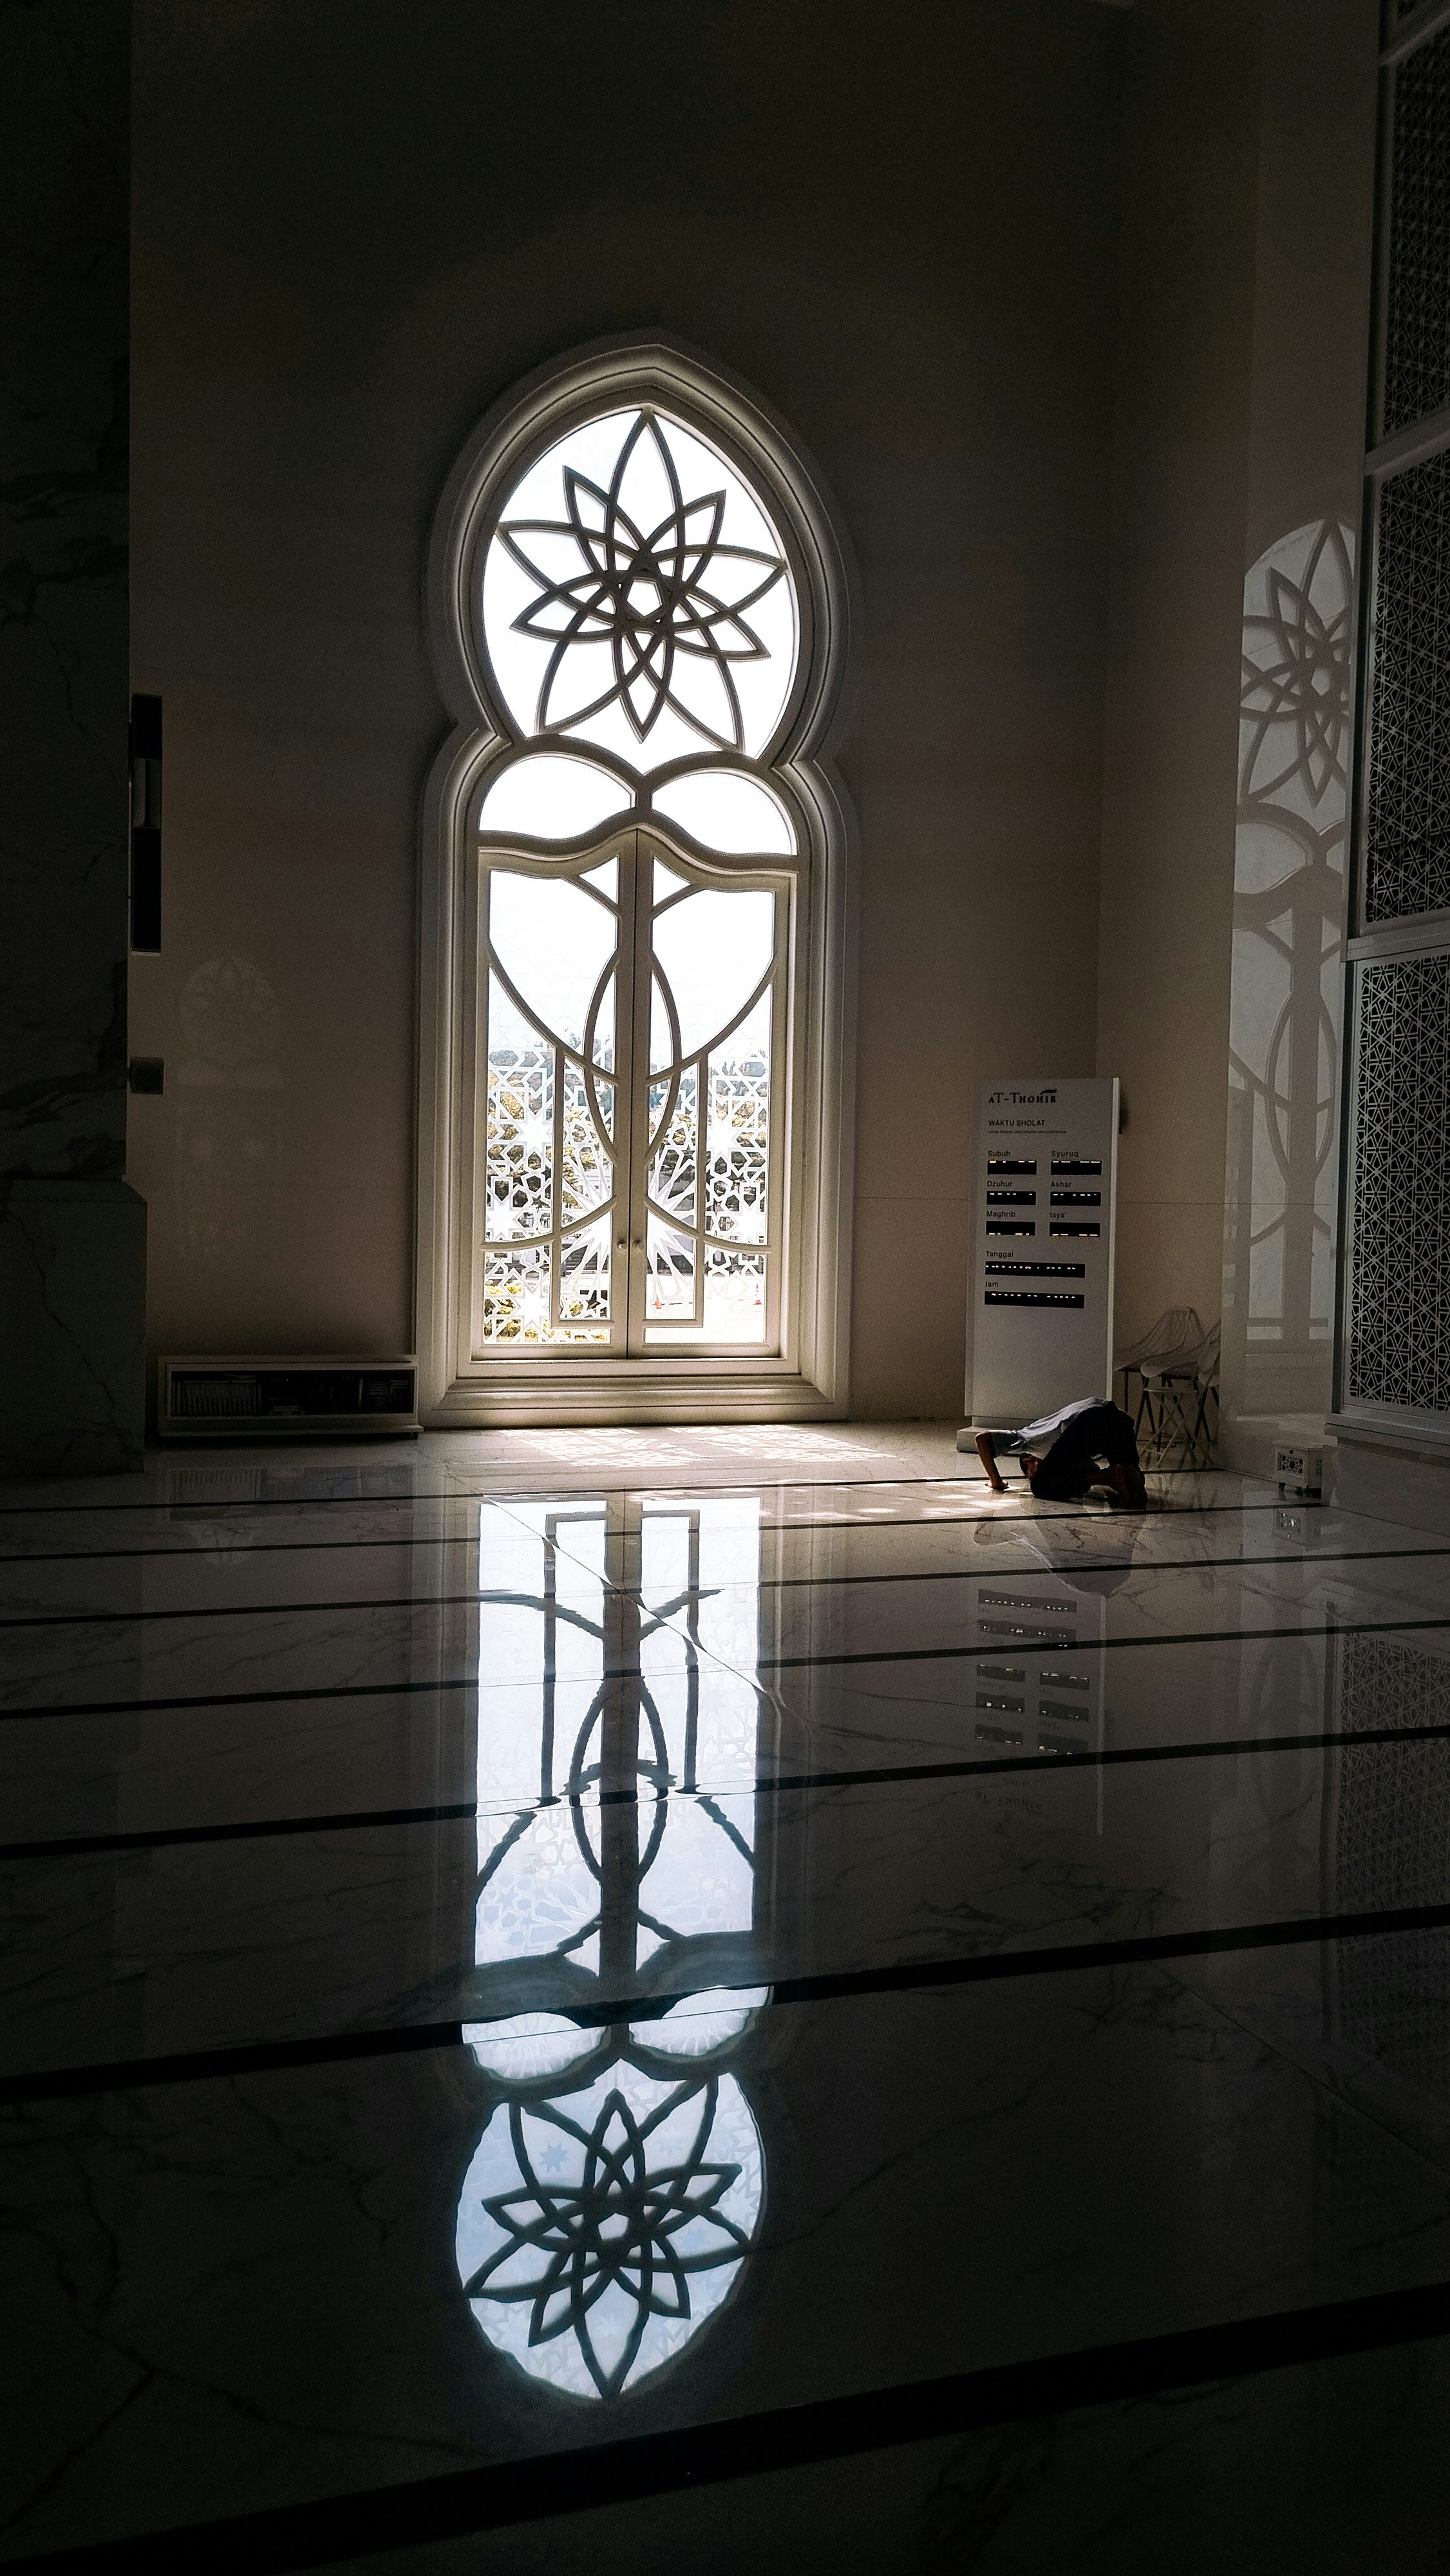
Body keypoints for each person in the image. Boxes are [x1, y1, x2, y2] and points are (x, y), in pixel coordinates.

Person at [974, 1396, 1147, 1508]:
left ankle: (1111, 1478)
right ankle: (1131, 1474)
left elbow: (982, 1439)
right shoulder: (1067, 1454)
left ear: (1029, 1462)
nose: (1032, 1476)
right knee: (1130, 1474)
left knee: (1041, 1486)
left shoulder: (1028, 1438)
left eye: (1030, 1475)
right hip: (1119, 1418)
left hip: (1088, 1420)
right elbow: (1090, 1470)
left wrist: (996, 1482)